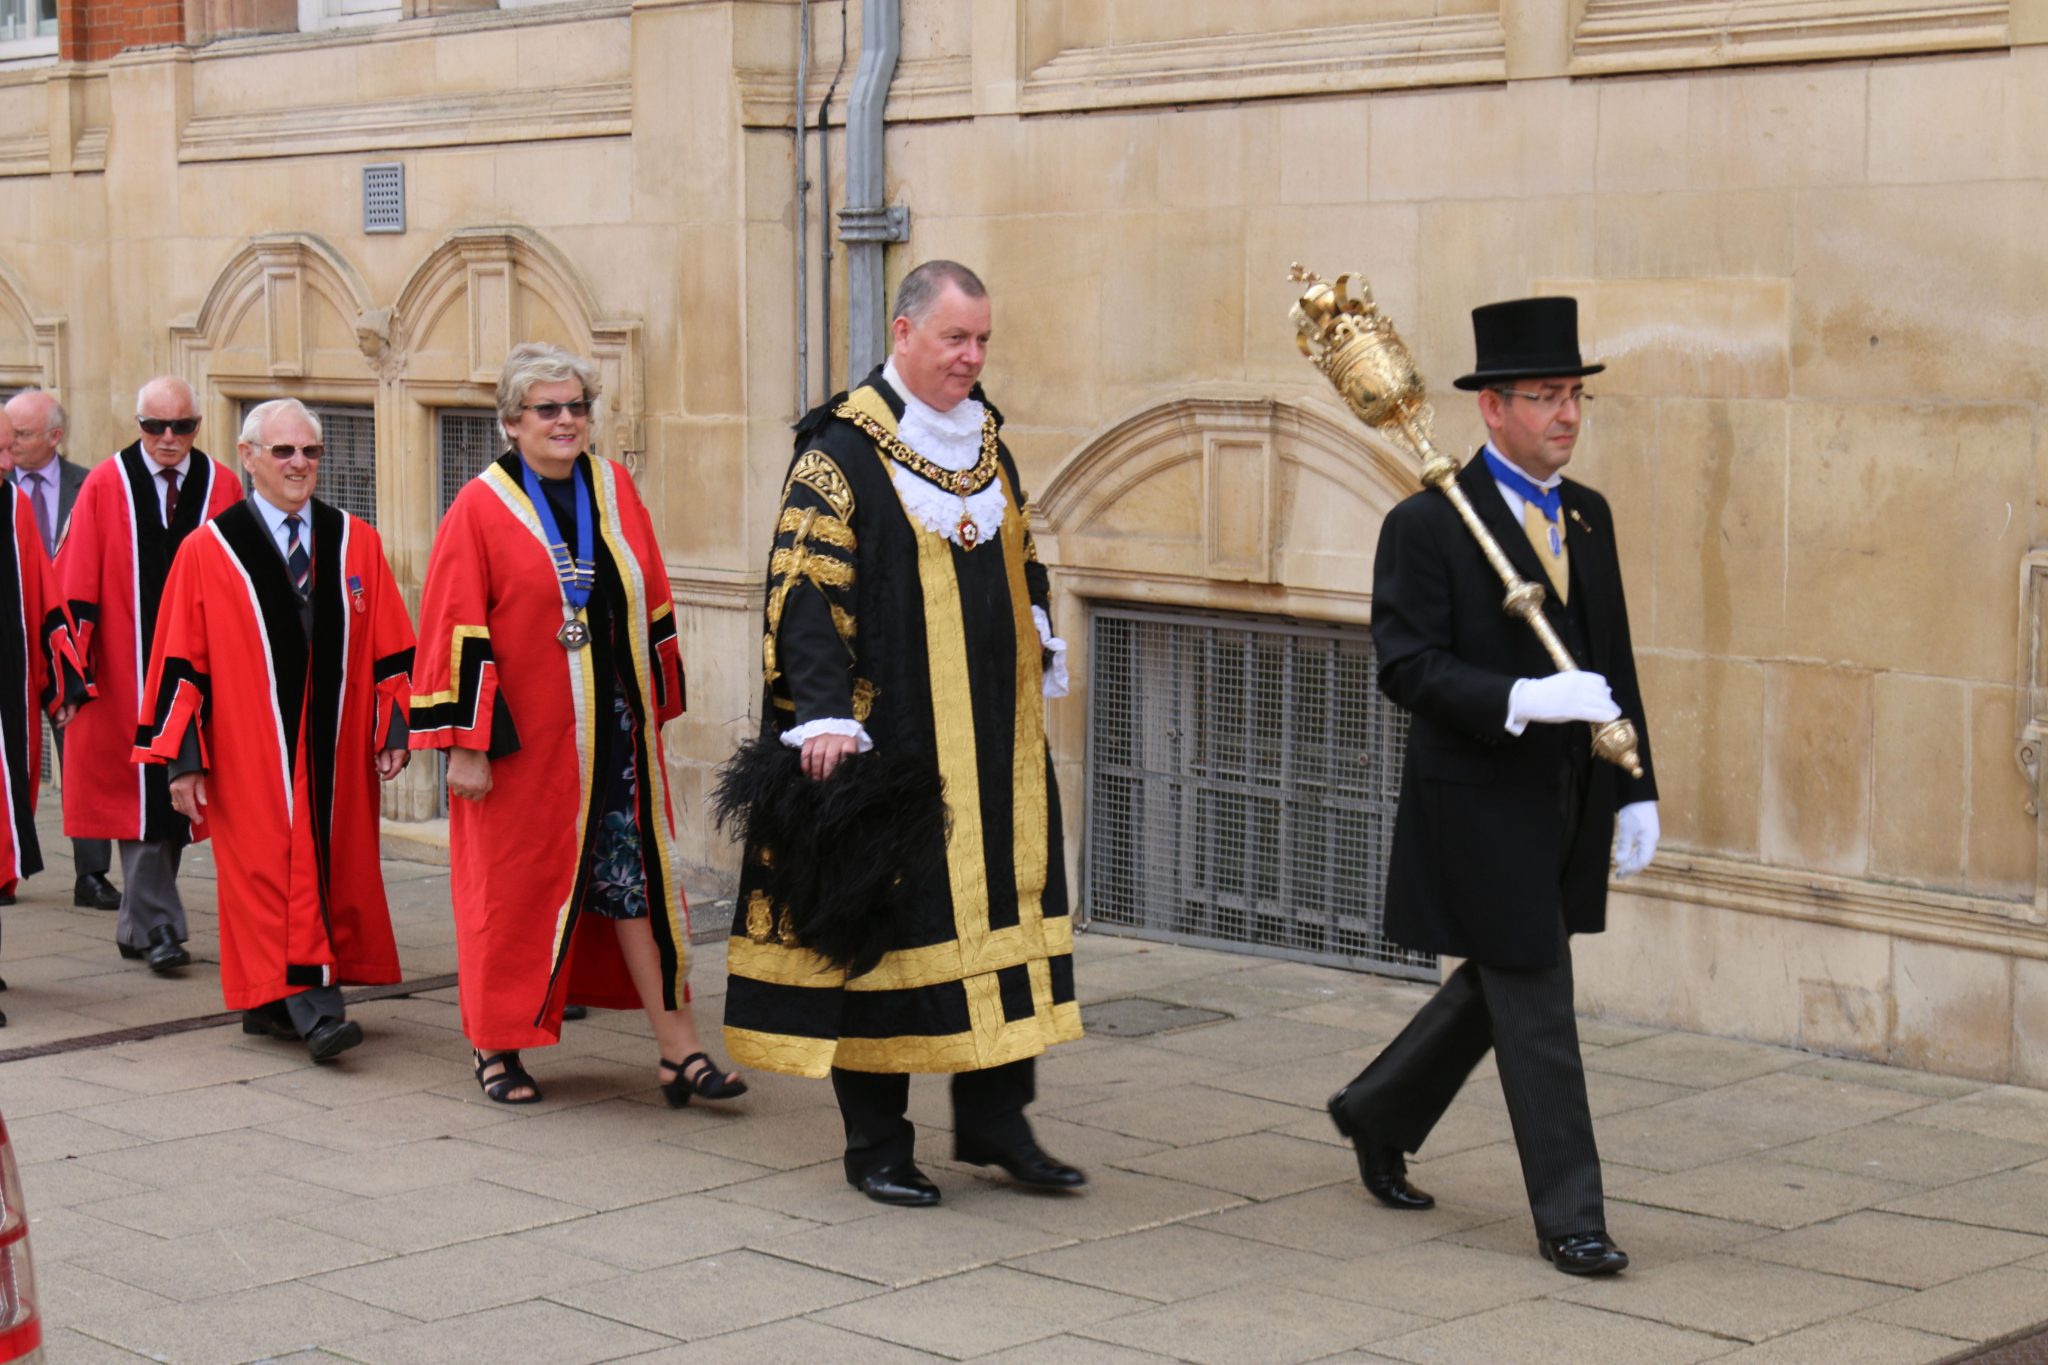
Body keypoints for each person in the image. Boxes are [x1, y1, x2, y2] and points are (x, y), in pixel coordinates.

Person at [721, 260, 1083, 1208]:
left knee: (1004, 915)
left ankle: (999, 1121)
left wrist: (1036, 622)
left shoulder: (986, 439)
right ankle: (876, 1144)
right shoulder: (839, 451)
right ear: (905, 332)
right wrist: (824, 716)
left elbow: (1022, 551)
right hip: (894, 746)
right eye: (957, 338)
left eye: (983, 340)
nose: (972, 357)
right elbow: (803, 590)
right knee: (883, 934)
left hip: (994, 745)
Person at [1326, 297, 1659, 1276]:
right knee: (1537, 1001)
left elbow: (1612, 661)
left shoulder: (1588, 514)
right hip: (1477, 803)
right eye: (1545, 396)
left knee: (1504, 980)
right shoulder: (1427, 525)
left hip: (1571, 801)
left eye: (1574, 395)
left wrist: (1636, 785)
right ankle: (1572, 1216)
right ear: (1492, 408)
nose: (1566, 414)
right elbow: (1405, 668)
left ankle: (1376, 1109)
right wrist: (1523, 696)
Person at [410, 341, 743, 1107]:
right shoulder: (480, 506)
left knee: (639, 885)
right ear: (511, 421)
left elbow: (651, 591)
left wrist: (654, 705)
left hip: (614, 738)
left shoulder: (614, 488)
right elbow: (453, 627)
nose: (566, 420)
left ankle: (681, 1050)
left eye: (577, 406)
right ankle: (495, 1045)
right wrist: (465, 746)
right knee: (512, 890)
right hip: (523, 744)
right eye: (547, 409)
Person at [133, 399, 413, 1063]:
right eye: (283, 451)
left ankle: (268, 1004)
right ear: (248, 457)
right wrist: (184, 762)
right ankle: (318, 1010)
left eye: (310, 452)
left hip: (336, 749)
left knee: (329, 870)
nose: (298, 464)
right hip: (249, 751)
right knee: (266, 877)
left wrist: (394, 726)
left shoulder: (354, 540)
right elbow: (180, 660)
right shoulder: (209, 548)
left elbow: (391, 643)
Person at [60, 377, 242, 973]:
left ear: (197, 426)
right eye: (154, 426)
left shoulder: (221, 484)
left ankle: (138, 925)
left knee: (181, 793)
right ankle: (159, 926)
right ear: (138, 424)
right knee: (139, 798)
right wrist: (72, 674)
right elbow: (76, 579)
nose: (168, 438)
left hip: (198, 669)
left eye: (181, 426)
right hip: (124, 669)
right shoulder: (105, 483)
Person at [5, 388, 121, 911]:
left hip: (71, 644)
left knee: (80, 757)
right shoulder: (5, 487)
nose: (12, 446)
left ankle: (91, 875)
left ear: (55, 437)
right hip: (15, 638)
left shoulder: (91, 484)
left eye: (22, 435)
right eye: (8, 436)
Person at [0, 409, 89, 1025]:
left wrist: (62, 679)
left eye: (10, 448)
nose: (8, 463)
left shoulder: (12, 506)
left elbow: (41, 591)